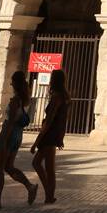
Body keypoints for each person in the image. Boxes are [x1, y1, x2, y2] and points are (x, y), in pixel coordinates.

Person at [0, 70, 37, 209]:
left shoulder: (15, 101)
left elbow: (11, 121)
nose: (11, 83)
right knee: (9, 167)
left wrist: (3, 141)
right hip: (18, 136)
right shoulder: (24, 100)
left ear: (15, 83)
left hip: (9, 135)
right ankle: (29, 186)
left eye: (12, 81)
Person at [30, 68, 71, 204]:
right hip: (54, 134)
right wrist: (61, 136)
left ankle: (49, 193)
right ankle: (49, 195)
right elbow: (63, 120)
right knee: (48, 167)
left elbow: (49, 120)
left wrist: (36, 142)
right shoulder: (64, 97)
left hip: (49, 134)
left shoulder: (56, 97)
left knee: (39, 164)